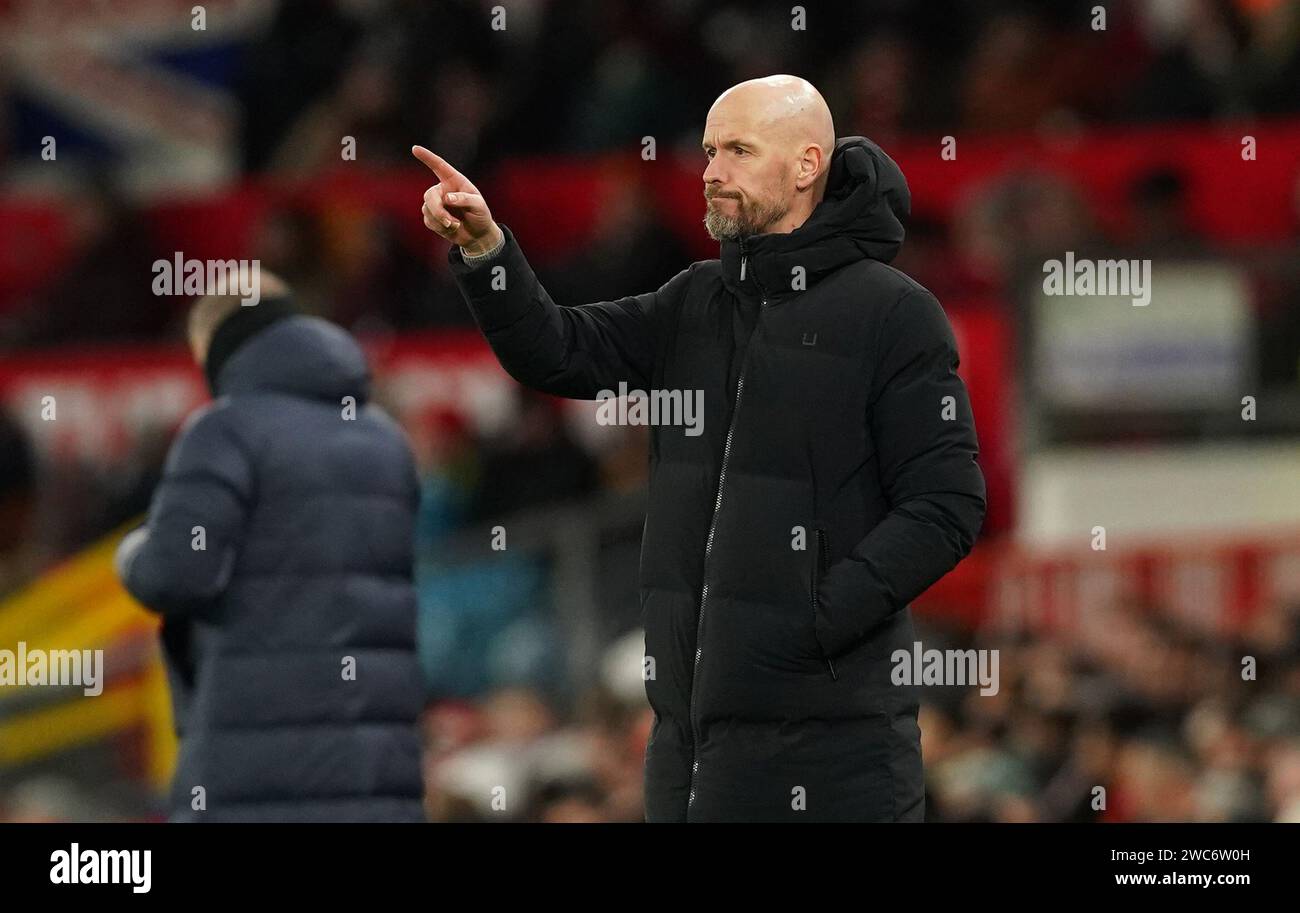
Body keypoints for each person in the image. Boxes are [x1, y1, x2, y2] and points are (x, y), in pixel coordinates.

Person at [417, 74, 986, 822]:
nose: (712, 171)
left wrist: (813, 621)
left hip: (834, 748)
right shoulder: (694, 300)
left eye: (739, 151)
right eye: (711, 151)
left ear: (807, 163)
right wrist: (488, 252)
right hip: (686, 746)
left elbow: (947, 505)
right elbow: (559, 350)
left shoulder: (894, 313)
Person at [114, 274, 425, 822]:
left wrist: (132, 553)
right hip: (381, 775)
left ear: (217, 345)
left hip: (257, 778)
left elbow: (171, 574)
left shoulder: (225, 431)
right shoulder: (386, 441)